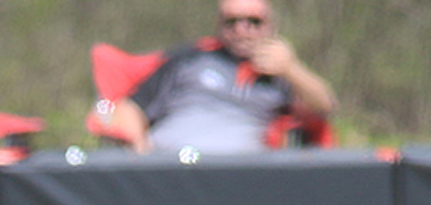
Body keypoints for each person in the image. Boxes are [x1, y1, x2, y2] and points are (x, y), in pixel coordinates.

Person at [105, 0, 336, 154]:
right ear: (219, 25)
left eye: (253, 22)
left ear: (270, 26)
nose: (242, 29)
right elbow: (129, 109)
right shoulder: (190, 59)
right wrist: (138, 150)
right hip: (169, 165)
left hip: (239, 177)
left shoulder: (282, 76)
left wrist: (290, 68)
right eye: (232, 22)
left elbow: (324, 107)